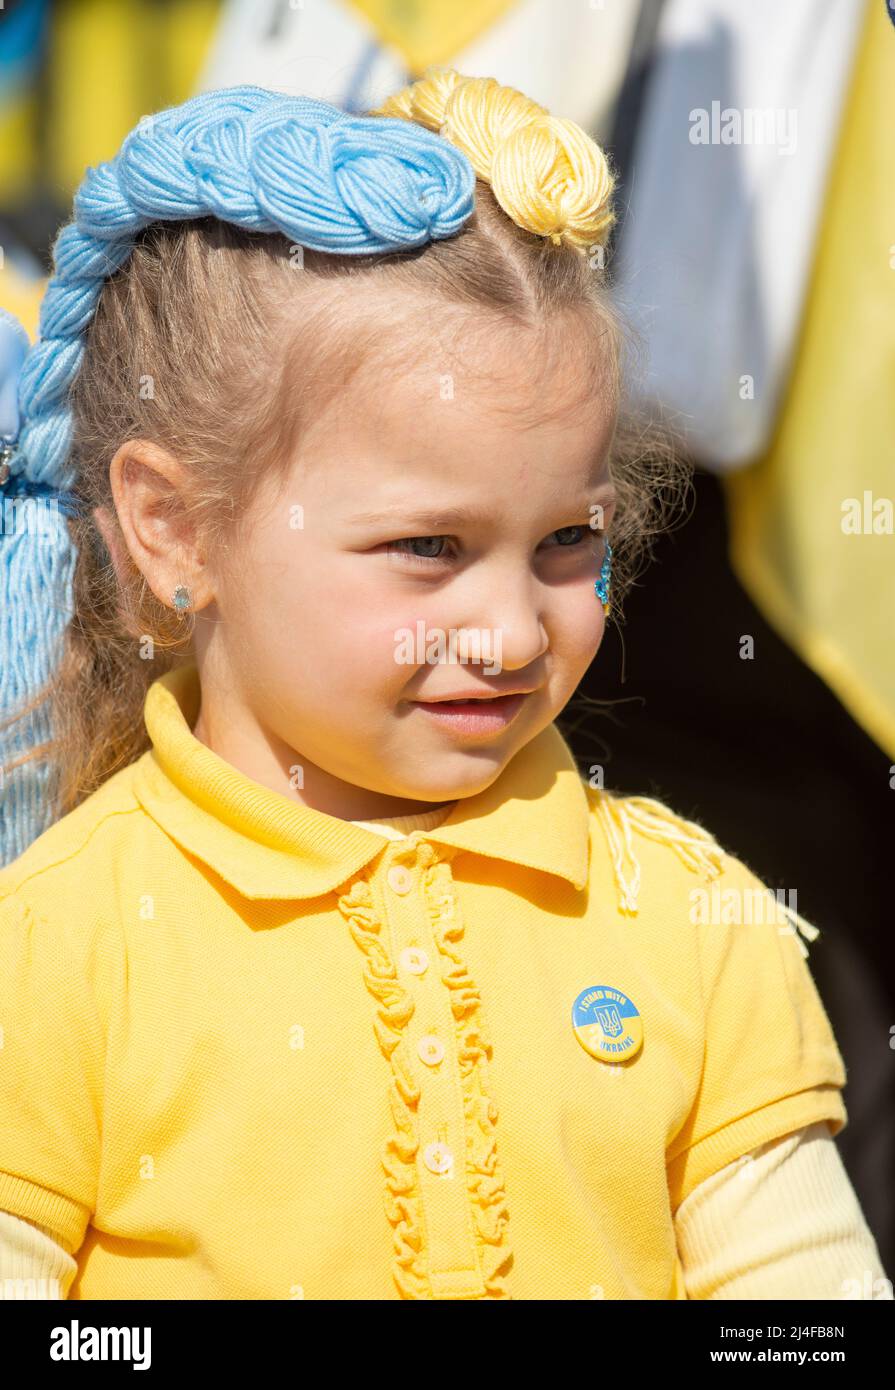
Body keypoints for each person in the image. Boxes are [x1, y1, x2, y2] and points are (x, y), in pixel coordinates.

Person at [0, 72, 888, 1301]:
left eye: (570, 541)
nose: (514, 629)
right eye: (428, 549)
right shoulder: (57, 944)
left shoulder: (692, 920)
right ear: (174, 528)